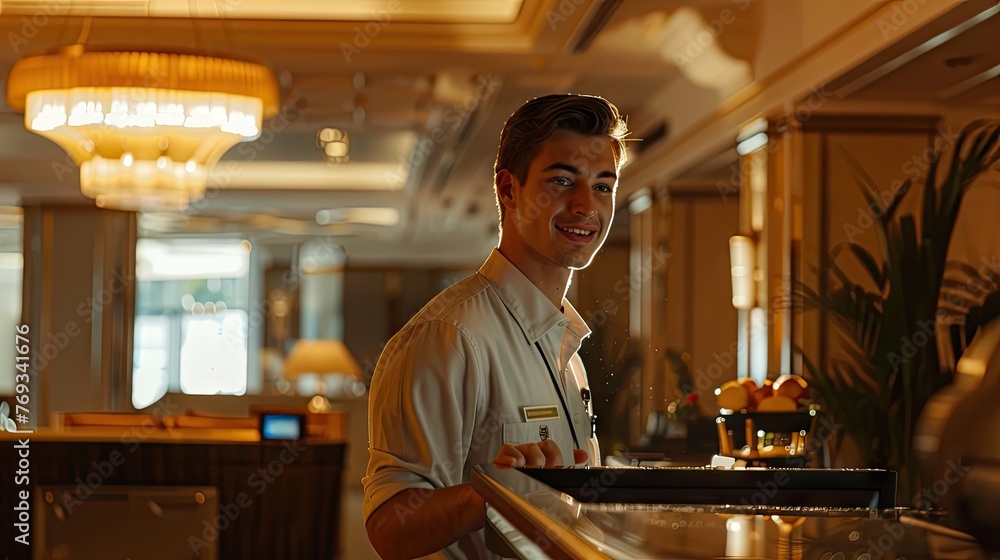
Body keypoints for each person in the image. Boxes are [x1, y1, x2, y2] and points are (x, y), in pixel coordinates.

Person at [363, 93, 630, 559]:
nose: (587, 206)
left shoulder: (565, 344)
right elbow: (389, 527)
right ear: (508, 190)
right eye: (562, 181)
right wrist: (497, 492)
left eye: (603, 186)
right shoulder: (449, 336)